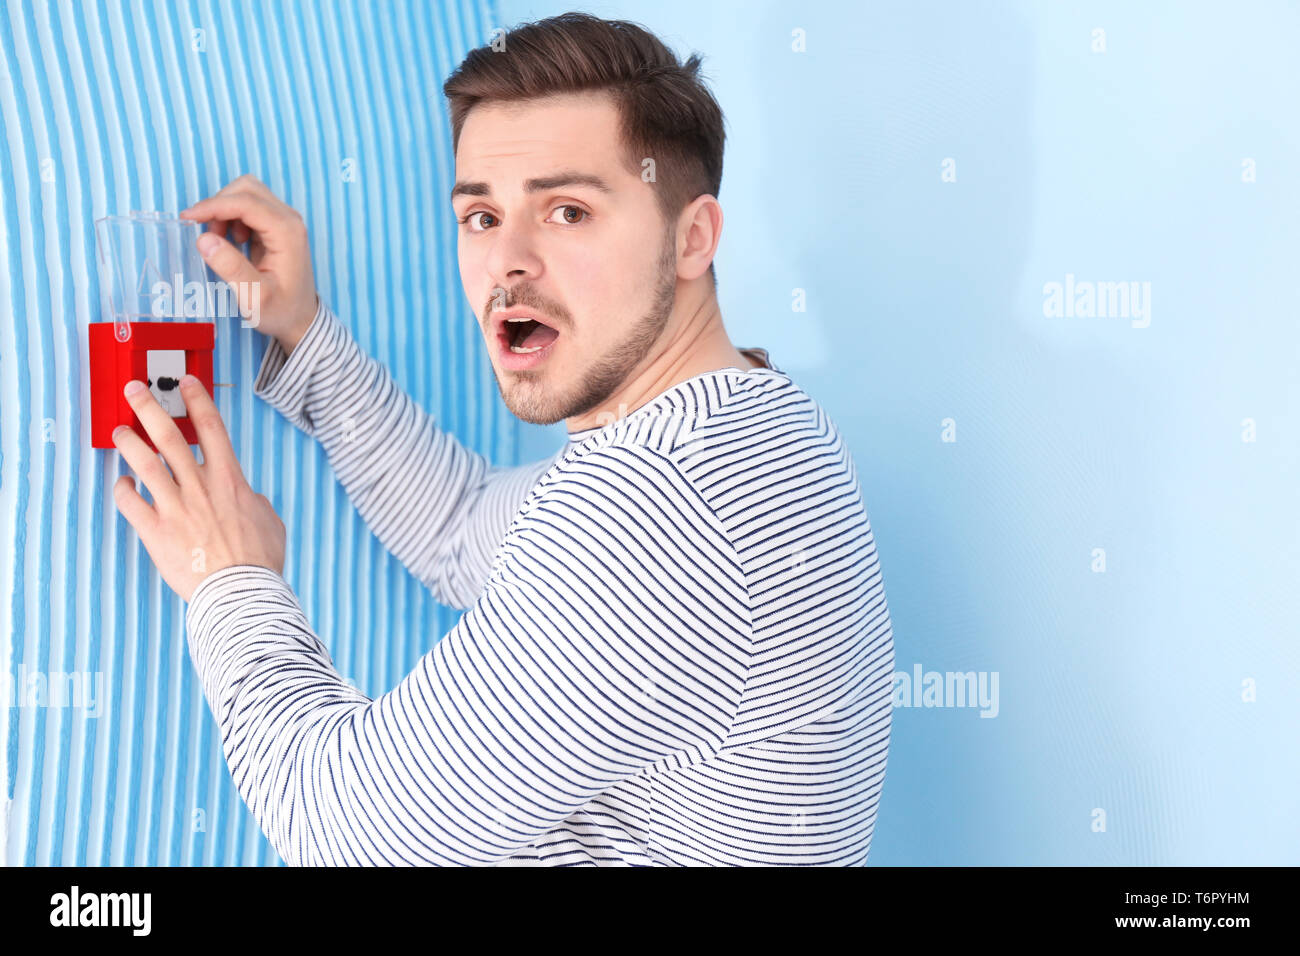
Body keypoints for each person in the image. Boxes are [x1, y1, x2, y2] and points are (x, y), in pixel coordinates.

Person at [111, 11, 895, 866]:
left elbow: (343, 832)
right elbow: (459, 527)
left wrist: (228, 581)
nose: (508, 262)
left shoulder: (655, 512)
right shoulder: (759, 428)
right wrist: (305, 333)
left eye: (566, 211)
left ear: (692, 236)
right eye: (481, 216)